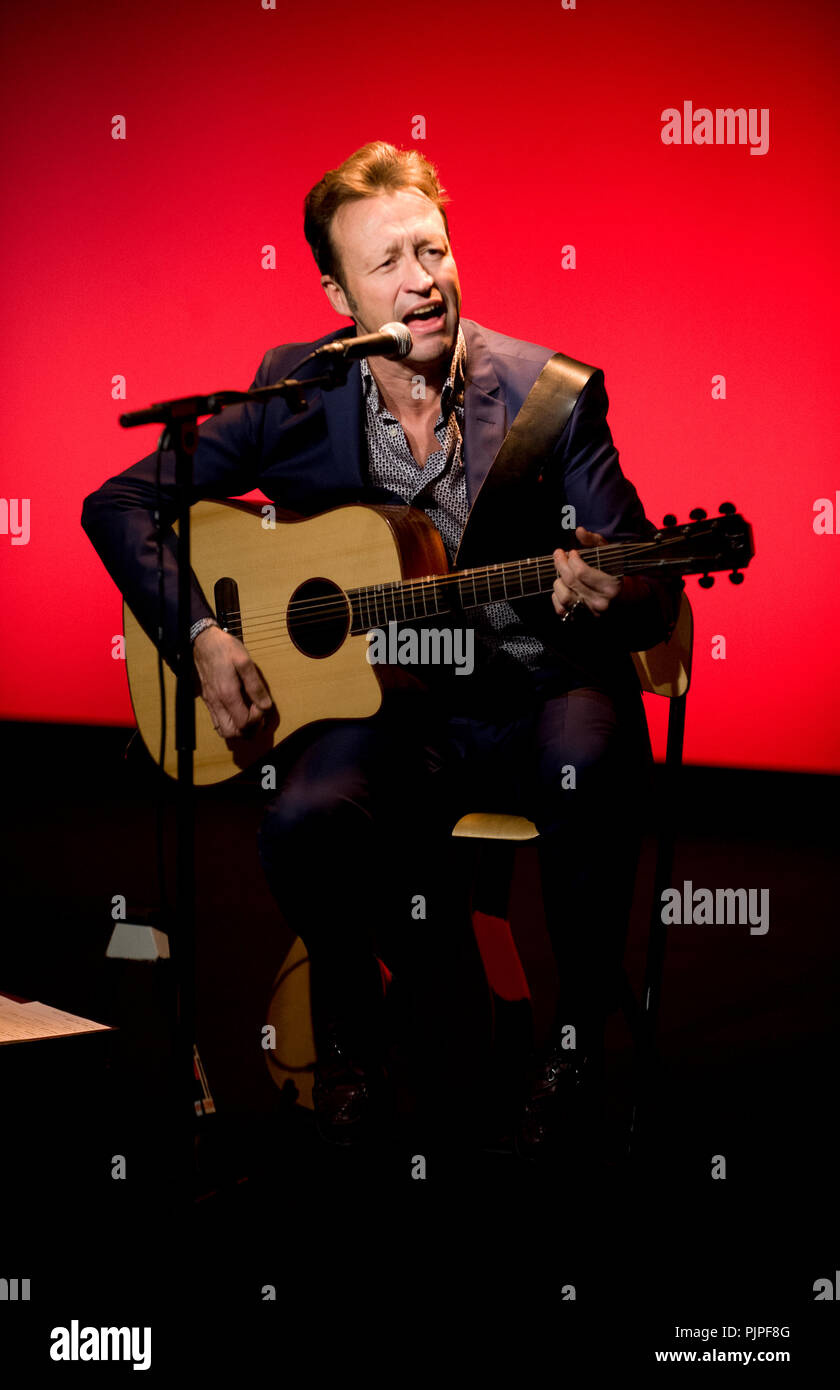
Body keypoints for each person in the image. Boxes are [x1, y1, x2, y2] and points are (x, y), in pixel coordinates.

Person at [82, 141, 682, 1159]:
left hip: (532, 691)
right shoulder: (296, 392)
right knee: (308, 814)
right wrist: (204, 634)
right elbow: (120, 501)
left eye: (433, 250)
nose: (422, 280)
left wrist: (608, 582)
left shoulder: (553, 394)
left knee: (586, 760)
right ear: (338, 293)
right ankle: (355, 1046)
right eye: (389, 264)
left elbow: (646, 581)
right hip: (391, 711)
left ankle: (579, 1040)